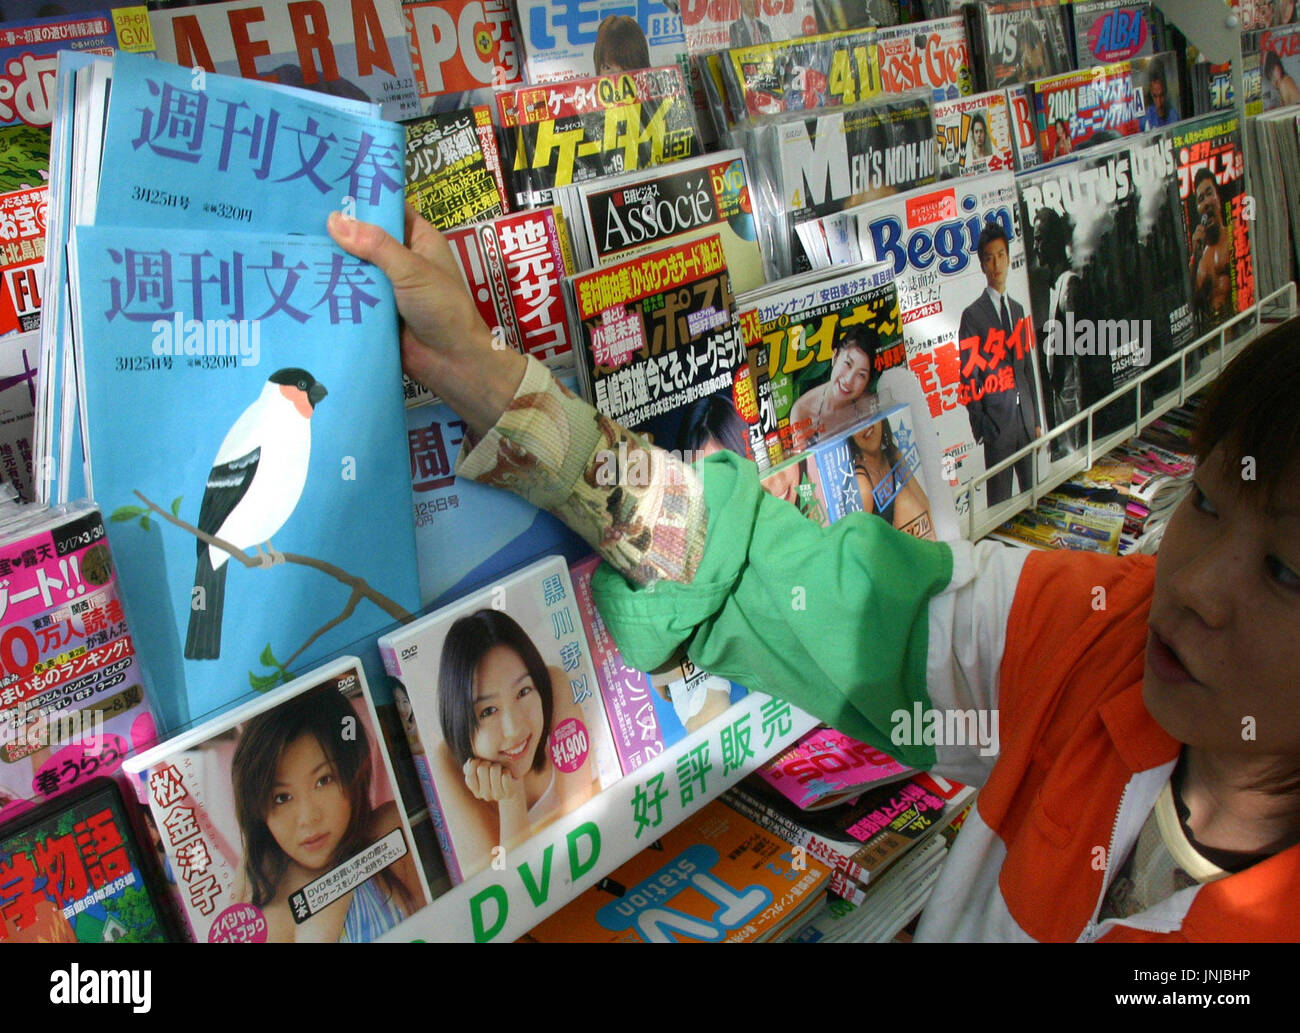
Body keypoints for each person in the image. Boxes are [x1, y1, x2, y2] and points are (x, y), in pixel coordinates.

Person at [326, 208, 1300, 940]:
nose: (1198, 588)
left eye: (1285, 573)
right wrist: (494, 380)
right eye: (1206, 504)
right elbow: (764, 573)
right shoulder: (1096, 637)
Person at [231, 685, 422, 942]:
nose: (308, 818)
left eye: (324, 780)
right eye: (282, 797)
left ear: (352, 770)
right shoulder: (256, 877)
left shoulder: (388, 832)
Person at [435, 608, 595, 869]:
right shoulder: (448, 760)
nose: (513, 729)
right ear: (459, 721)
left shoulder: (552, 687)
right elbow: (510, 889)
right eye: (488, 711)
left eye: (523, 692)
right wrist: (511, 801)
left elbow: (581, 839)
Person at [958, 221, 1040, 505]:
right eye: (990, 257)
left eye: (1001, 255)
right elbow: (969, 376)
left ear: (1009, 258)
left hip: (1026, 422)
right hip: (997, 426)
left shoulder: (1017, 309)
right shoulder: (973, 316)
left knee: (1034, 497)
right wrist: (982, 427)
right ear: (982, 265)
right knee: (1000, 506)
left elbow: (1027, 369)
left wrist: (1037, 420)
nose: (997, 264)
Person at [1031, 206, 1084, 457]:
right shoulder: (1056, 288)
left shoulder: (1069, 286)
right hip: (1063, 407)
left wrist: (1083, 419)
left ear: (1054, 241)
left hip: (1075, 410)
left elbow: (1081, 358)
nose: (1035, 247)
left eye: (1040, 239)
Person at [786, 324, 881, 451]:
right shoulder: (803, 411)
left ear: (868, 381)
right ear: (835, 358)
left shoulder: (870, 404)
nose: (848, 380)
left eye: (861, 375)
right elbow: (803, 464)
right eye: (847, 364)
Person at [847, 416, 936, 540]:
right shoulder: (861, 484)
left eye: (866, 415)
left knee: (905, 499)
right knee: (904, 501)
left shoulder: (892, 454)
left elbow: (923, 502)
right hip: (882, 554)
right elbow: (861, 547)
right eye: (855, 424)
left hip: (900, 546)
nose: (865, 427)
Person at [1189, 167, 1235, 328]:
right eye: (1201, 199)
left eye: (1209, 194)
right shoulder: (1199, 260)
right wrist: (1195, 256)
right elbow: (1192, 307)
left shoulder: (1235, 236)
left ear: (1218, 197)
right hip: (1214, 339)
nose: (1206, 203)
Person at [1143, 62, 1180, 129]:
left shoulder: (1172, 115)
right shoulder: (1147, 115)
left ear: (1165, 92)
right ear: (1151, 93)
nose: (1159, 102)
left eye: (1161, 96)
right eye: (1155, 96)